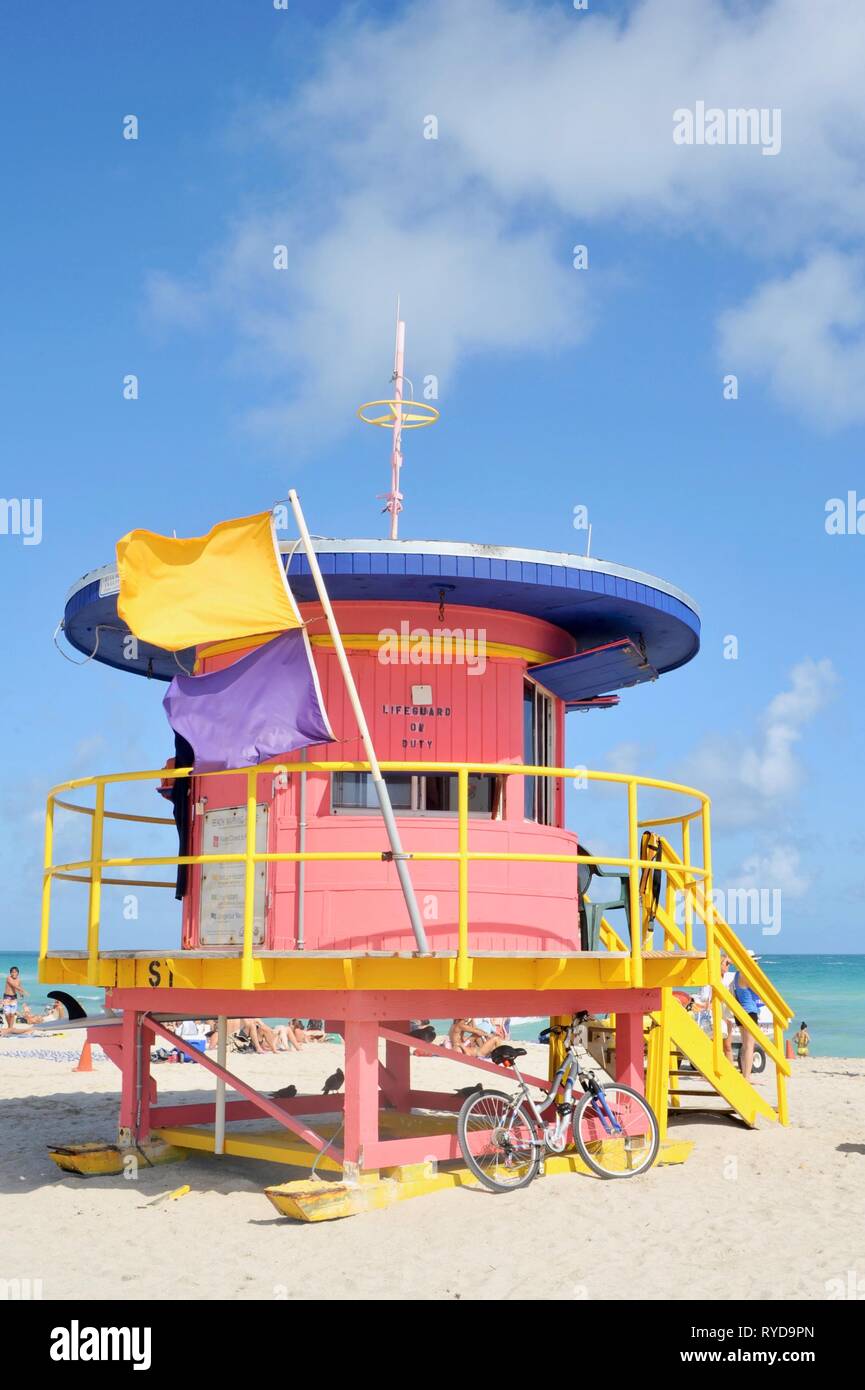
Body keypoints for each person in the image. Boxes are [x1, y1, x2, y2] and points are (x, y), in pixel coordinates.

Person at [692, 952, 736, 1062]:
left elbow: (741, 974)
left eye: (728, 964)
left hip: (726, 1016)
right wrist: (707, 1005)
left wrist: (729, 960)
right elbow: (703, 998)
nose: (728, 966)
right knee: (714, 1046)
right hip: (713, 1016)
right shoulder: (709, 980)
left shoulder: (728, 977)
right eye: (726, 964)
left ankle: (729, 1069)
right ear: (718, 964)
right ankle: (715, 1069)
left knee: (727, 1046)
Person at [732, 954, 764, 1083]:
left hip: (740, 1011)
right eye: (755, 961)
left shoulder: (737, 974)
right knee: (750, 1046)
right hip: (750, 1011)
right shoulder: (747, 975)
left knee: (745, 1045)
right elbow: (759, 991)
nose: (757, 964)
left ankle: (744, 1074)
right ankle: (747, 1076)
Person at [2, 967, 25, 1033]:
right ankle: (9, 1027)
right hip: (7, 997)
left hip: (14, 998)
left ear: (18, 973)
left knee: (12, 1014)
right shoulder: (8, 978)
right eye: (12, 972)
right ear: (10, 973)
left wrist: (21, 994)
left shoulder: (19, 980)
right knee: (7, 1014)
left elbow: (19, 988)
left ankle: (10, 1028)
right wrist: (24, 990)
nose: (14, 973)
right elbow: (14, 985)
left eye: (15, 972)